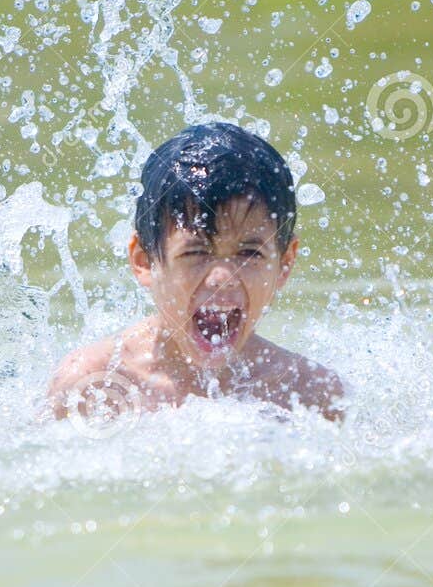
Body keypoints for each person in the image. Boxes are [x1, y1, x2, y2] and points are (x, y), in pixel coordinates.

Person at [46, 122, 344, 424]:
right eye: (196, 253)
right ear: (144, 261)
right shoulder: (92, 385)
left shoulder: (309, 395)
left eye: (249, 253)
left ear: (285, 263)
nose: (223, 278)